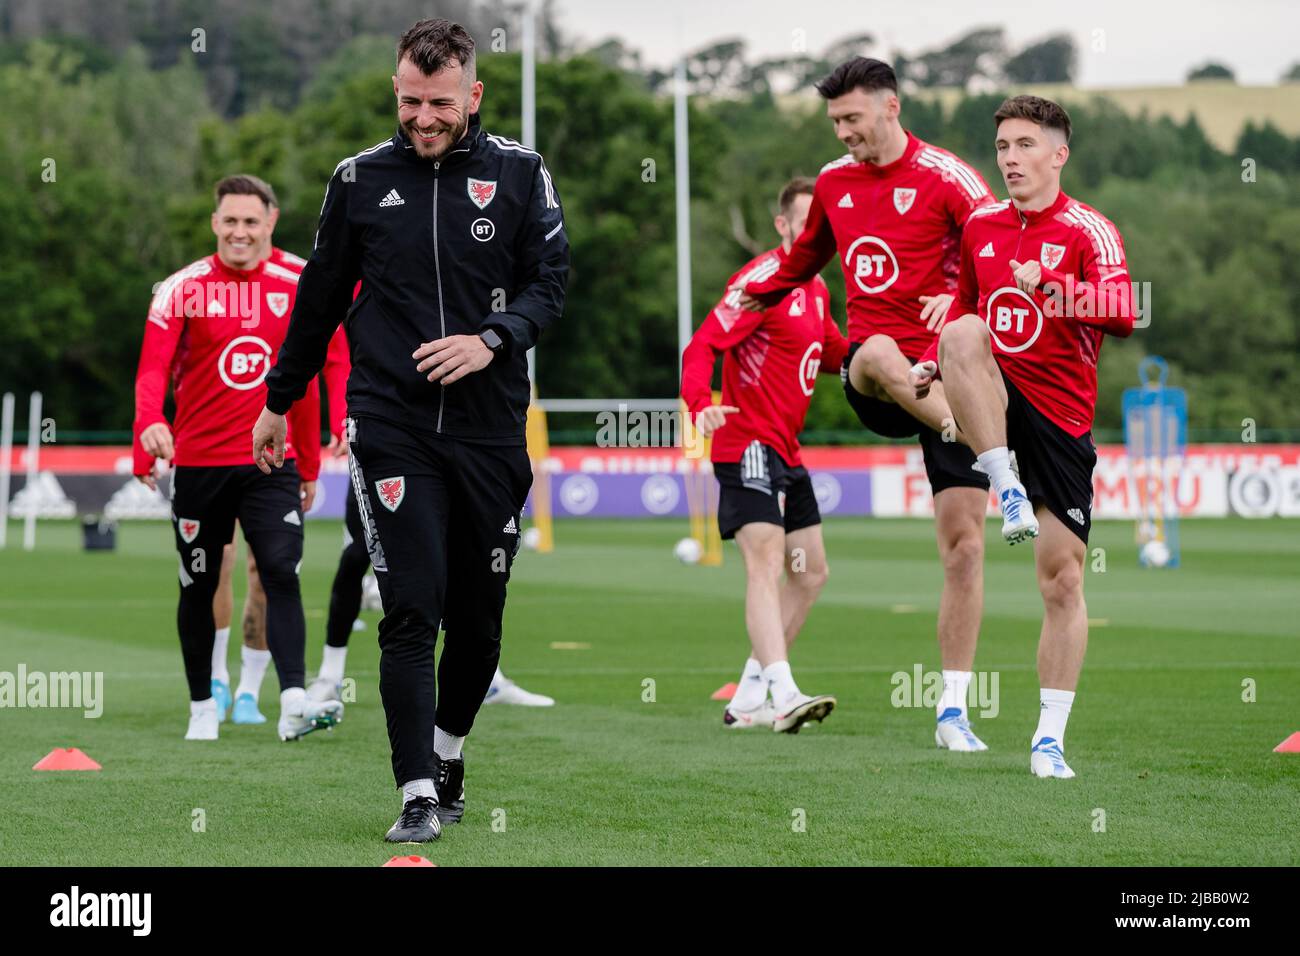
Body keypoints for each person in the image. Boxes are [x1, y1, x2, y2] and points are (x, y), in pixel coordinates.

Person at [254, 18, 568, 842]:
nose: (423, 118)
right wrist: (278, 402)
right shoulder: (359, 180)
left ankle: (449, 747)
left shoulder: (522, 174)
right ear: (395, 91)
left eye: (439, 103)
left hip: (491, 431)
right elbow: (317, 301)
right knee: (409, 609)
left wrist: (491, 340)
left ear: (473, 94)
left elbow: (552, 283)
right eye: (409, 101)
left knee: (480, 622)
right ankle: (416, 791)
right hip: (390, 425)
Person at [739, 58, 997, 750]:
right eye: (835, 122)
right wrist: (761, 291)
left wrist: (966, 301)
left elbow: (997, 250)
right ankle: (983, 444)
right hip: (883, 384)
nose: (844, 132)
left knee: (965, 548)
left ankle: (952, 712)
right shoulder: (832, 182)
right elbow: (805, 258)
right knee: (873, 348)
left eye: (853, 118)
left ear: (891, 107)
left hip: (946, 371)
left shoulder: (948, 177)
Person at [910, 95, 1136, 778]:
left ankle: (1048, 741)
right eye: (1003, 145)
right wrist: (933, 355)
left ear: (1058, 154)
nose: (1010, 157)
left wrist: (1058, 290)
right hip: (993, 405)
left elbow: (1127, 309)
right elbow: (966, 312)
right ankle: (1003, 484)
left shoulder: (1087, 229)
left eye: (1025, 145)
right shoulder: (979, 224)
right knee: (960, 335)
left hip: (1060, 416)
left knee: (1063, 580)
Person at [133, 174, 342, 742]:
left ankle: (292, 699)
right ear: (214, 223)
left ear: (271, 221)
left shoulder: (302, 280)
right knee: (199, 582)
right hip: (199, 463)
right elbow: (152, 370)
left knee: (279, 571)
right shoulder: (181, 288)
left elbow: (329, 362)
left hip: (272, 461)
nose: (240, 232)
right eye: (230, 221)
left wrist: (323, 447)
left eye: (251, 221)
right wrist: (147, 426)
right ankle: (203, 703)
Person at [682, 177, 847, 733]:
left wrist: (889, 358)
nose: (817, 237)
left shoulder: (817, 289)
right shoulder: (763, 280)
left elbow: (830, 352)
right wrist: (699, 401)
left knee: (812, 571)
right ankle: (783, 691)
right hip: (746, 442)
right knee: (767, 562)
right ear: (783, 227)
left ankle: (750, 694)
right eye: (807, 226)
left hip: (786, 449)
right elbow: (702, 343)